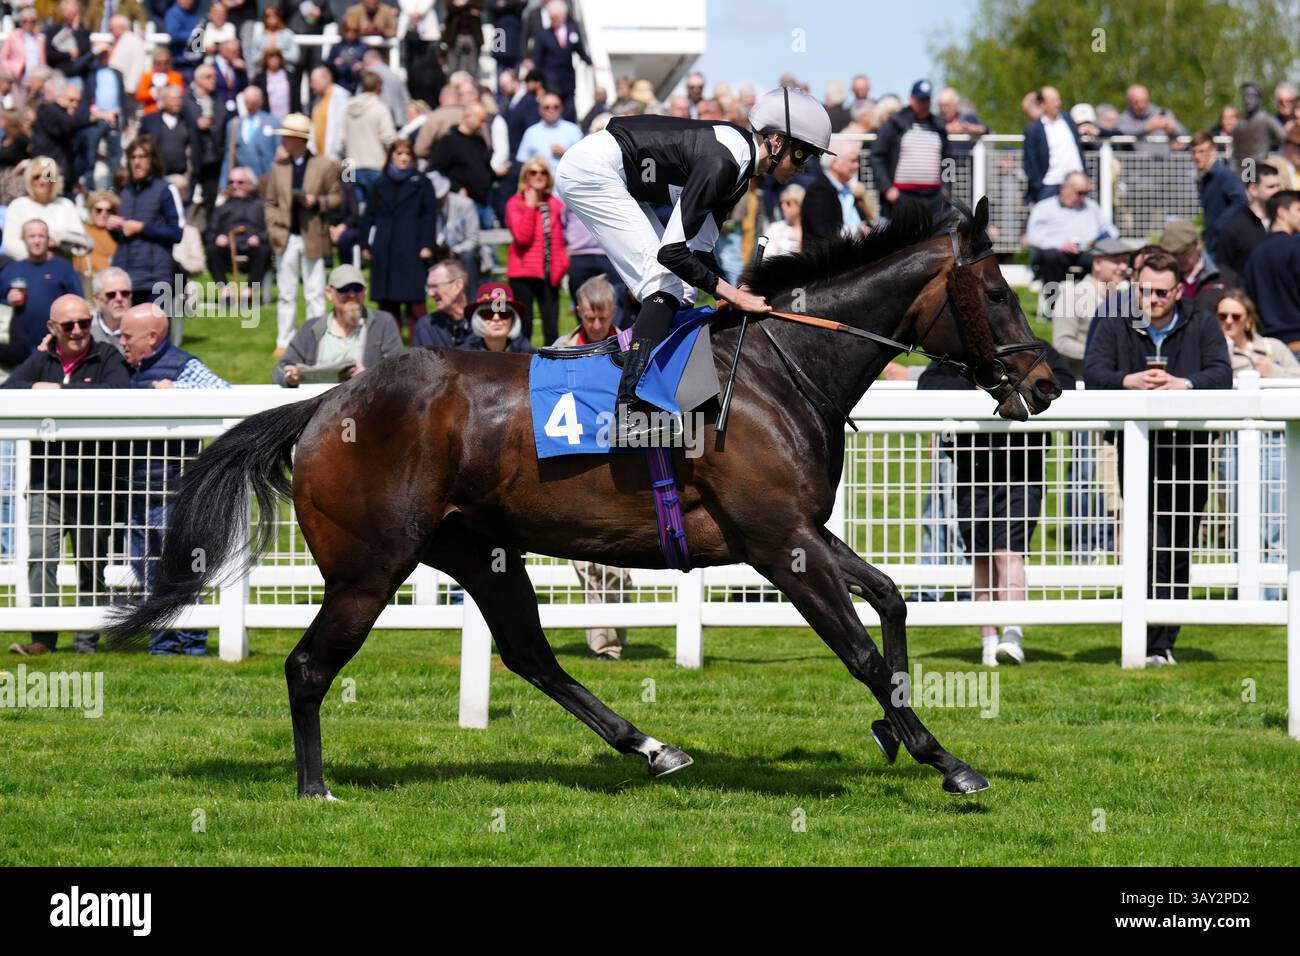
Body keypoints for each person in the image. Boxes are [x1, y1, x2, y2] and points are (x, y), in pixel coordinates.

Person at [554, 85, 833, 444]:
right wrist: (732, 295)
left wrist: (734, 288)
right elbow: (671, 252)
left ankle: (659, 389)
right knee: (662, 282)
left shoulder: (738, 173)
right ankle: (629, 411)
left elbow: (697, 251)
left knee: (681, 287)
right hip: (592, 170)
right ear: (777, 142)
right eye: (801, 153)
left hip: (616, 172)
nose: (803, 166)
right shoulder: (724, 163)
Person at [1084, 250, 1232, 665]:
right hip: (1134, 449)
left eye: (1161, 292)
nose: (1151, 299)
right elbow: (1093, 372)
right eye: (1144, 290)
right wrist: (1127, 380)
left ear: (1179, 290)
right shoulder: (1116, 320)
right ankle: (1148, 636)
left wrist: (1181, 384)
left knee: (1179, 542)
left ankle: (1164, 639)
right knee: (1147, 540)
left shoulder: (1201, 321)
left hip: (1188, 452)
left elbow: (1222, 373)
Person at [919, 342, 1075, 665]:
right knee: (980, 556)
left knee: (1009, 550)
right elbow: (929, 384)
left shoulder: (1036, 348)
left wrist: (1017, 383)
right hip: (971, 466)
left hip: (1023, 466)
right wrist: (982, 385)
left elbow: (1063, 383)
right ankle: (989, 639)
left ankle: (1012, 634)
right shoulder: (962, 351)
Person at [2, 293, 129, 657]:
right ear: (52, 328)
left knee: (91, 561)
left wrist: (58, 391)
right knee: (41, 555)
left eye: (85, 323)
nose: (78, 331)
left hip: (95, 481)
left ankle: (86, 641)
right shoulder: (41, 359)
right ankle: (43, 638)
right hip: (46, 481)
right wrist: (34, 388)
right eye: (69, 325)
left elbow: (120, 393)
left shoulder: (106, 356)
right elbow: (9, 391)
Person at [119, 302, 229, 655]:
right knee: (145, 566)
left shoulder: (184, 366)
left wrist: (179, 395)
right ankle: (163, 641)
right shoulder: (125, 367)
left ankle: (191, 640)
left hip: (171, 488)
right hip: (135, 486)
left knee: (177, 567)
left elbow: (227, 396)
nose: (122, 342)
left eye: (127, 336)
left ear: (152, 338)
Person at [263, 112, 342, 355]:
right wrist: (275, 226)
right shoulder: (279, 167)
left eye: (287, 137)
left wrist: (316, 201)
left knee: (315, 292)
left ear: (299, 140)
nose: (283, 141)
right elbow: (270, 202)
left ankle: (315, 339)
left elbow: (337, 197)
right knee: (286, 292)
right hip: (286, 237)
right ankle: (284, 340)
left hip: (312, 237)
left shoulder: (324, 165)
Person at [275, 264, 403, 386]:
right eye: (344, 289)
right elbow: (280, 369)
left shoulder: (383, 323)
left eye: (357, 288)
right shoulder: (311, 328)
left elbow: (399, 370)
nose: (352, 295)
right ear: (329, 293)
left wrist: (369, 376)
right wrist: (289, 374)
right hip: (317, 404)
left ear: (365, 291)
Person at [362, 139, 436, 332]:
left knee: (415, 303)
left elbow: (429, 216)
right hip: (385, 249)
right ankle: (390, 346)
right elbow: (368, 216)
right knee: (387, 305)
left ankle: (421, 346)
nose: (403, 158)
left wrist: (427, 244)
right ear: (391, 157)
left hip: (412, 248)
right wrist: (365, 245)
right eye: (399, 154)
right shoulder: (379, 184)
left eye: (407, 154)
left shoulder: (422, 183)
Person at [109, 136, 184, 317]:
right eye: (132, 158)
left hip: (155, 277)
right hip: (126, 277)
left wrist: (142, 228)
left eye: (142, 157)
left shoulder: (166, 190)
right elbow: (124, 237)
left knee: (156, 335)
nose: (136, 162)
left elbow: (177, 233)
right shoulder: (124, 192)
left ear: (153, 160)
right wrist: (113, 228)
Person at [1050, 237, 1136, 380]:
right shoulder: (1072, 296)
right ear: (1097, 263)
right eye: (1116, 261)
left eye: (1125, 261)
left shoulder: (1124, 299)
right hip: (1081, 382)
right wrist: (1102, 355)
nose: (1123, 267)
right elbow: (1061, 343)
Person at [506, 155, 568, 344]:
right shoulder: (515, 203)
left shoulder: (555, 204)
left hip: (550, 274)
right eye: (533, 172)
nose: (538, 176)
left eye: (543, 172)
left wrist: (562, 266)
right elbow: (522, 237)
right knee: (524, 328)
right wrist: (530, 207)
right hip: (523, 273)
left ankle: (550, 369)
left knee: (551, 329)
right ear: (526, 176)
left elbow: (560, 240)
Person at [870, 79, 950, 220]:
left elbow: (949, 159)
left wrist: (946, 188)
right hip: (902, 198)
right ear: (911, 98)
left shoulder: (938, 126)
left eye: (926, 100)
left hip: (933, 199)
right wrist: (887, 188)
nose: (924, 104)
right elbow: (877, 156)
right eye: (920, 100)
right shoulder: (895, 123)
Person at [1, 219, 85, 350]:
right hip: (19, 350)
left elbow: (79, 303)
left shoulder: (63, 268)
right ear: (23, 239)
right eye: (32, 236)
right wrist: (8, 300)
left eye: (41, 236)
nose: (37, 241)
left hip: (57, 345)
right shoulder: (11, 269)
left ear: (49, 239)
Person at [1025, 171, 1116, 285]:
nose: (1083, 196)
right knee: (1050, 257)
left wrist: (1099, 242)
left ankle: (1097, 297)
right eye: (1080, 192)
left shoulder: (1091, 206)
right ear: (1064, 188)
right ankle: (1054, 299)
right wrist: (1060, 244)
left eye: (1086, 192)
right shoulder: (1044, 207)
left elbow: (1111, 231)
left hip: (1087, 253)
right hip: (1057, 253)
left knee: (1101, 260)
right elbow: (1034, 236)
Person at [1, 156, 91, 262]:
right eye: (36, 177)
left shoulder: (66, 205)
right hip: (26, 266)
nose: (41, 181)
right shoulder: (18, 205)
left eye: (47, 176)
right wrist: (40, 255)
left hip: (60, 264)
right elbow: (10, 244)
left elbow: (81, 241)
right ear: (29, 179)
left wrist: (60, 241)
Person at [1242, 189, 1300, 350]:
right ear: (1281, 212)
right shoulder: (1296, 248)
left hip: (1268, 345)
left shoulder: (1255, 254)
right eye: (1298, 210)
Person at [205, 166, 269, 295]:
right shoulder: (223, 206)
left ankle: (250, 291)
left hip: (252, 247)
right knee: (212, 250)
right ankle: (225, 290)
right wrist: (219, 237)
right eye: (231, 182)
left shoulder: (261, 205)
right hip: (228, 247)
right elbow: (210, 233)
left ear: (251, 183)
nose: (235, 186)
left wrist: (259, 237)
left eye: (240, 182)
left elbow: (271, 230)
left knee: (264, 250)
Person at [1216, 161, 1281, 287]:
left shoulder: (1284, 221)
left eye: (1279, 186)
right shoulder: (1235, 227)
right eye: (1271, 187)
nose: (1277, 192)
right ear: (1253, 189)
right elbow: (1224, 267)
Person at [802, 137, 872, 244]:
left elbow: (863, 222)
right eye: (852, 161)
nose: (857, 166)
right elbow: (824, 235)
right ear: (835, 163)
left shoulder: (850, 190)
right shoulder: (818, 192)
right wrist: (855, 234)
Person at [1023, 85, 1084, 204]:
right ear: (1042, 104)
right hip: (1049, 186)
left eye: (1058, 99)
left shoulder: (1068, 120)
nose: (1058, 104)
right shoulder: (1033, 129)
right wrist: (1038, 186)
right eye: (1053, 101)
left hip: (1075, 184)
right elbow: (1030, 161)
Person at [343, 71, 397, 206]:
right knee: (378, 209)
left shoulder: (347, 108)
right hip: (375, 165)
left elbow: (342, 140)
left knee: (355, 210)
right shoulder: (381, 108)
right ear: (379, 87)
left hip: (349, 166)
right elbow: (388, 138)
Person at [1191, 131, 1248, 258]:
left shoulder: (1224, 174)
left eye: (1201, 151)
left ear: (1213, 151)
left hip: (1224, 246)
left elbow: (1241, 201)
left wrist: (1219, 225)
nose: (1196, 156)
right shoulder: (1206, 178)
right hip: (1214, 243)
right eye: (1194, 152)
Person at [532, 1, 590, 122]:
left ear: (563, 16)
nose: (553, 20)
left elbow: (580, 51)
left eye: (555, 17)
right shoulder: (543, 35)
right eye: (551, 17)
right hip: (551, 82)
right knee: (553, 114)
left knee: (570, 114)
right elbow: (538, 61)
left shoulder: (573, 29)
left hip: (568, 82)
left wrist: (591, 63)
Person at [1158, 218, 1224, 319]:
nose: (1180, 258)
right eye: (1174, 254)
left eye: (1184, 252)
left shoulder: (1223, 277)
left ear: (1198, 245)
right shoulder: (1159, 279)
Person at [430, 170, 482, 294]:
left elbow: (473, 239)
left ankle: (471, 300)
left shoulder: (465, 204)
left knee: (468, 257)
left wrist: (454, 251)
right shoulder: (428, 208)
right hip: (437, 252)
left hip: (460, 251)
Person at [31, 79, 91, 187]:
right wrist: (92, 118)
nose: (75, 105)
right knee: (47, 195)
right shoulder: (50, 110)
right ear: (60, 97)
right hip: (46, 169)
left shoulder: (69, 118)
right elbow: (67, 125)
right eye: (71, 100)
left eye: (78, 101)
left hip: (61, 173)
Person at [219, 86, 278, 189]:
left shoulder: (273, 122)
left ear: (260, 101)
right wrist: (223, 184)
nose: (250, 103)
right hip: (242, 182)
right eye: (248, 99)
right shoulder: (234, 124)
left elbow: (278, 153)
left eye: (254, 99)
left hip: (266, 180)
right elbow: (228, 155)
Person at [140, 85, 197, 181]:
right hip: (155, 176)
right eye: (174, 99)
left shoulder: (187, 121)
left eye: (179, 98)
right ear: (163, 101)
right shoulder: (149, 121)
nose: (178, 102)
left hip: (181, 176)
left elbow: (193, 149)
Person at [461, 280, 536, 353]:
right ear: (477, 319)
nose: (496, 318)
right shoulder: (464, 356)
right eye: (488, 313)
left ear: (513, 319)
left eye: (504, 313)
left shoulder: (528, 355)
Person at [412, 259, 472, 348]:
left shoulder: (487, 321)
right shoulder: (426, 328)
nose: (430, 293)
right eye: (428, 287)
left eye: (435, 286)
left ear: (458, 285)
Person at [1115, 84, 1187, 156]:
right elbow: (1121, 134)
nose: (1141, 106)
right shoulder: (1123, 119)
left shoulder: (1163, 113)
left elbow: (1184, 133)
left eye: (1143, 101)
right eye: (1136, 102)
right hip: (1136, 165)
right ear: (1129, 102)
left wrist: (1173, 130)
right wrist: (1147, 128)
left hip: (1165, 164)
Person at [1230, 83, 1285, 175]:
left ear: (1258, 99)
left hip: (1261, 168)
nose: (1247, 100)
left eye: (1251, 97)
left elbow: (1284, 138)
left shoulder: (1266, 119)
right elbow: (1235, 153)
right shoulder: (1239, 125)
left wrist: (1271, 143)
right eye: (1245, 97)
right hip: (1242, 170)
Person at [516, 91, 582, 165]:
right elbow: (523, 162)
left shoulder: (574, 130)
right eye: (546, 107)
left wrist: (565, 154)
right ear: (540, 110)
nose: (551, 110)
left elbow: (584, 160)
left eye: (556, 107)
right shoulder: (531, 132)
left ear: (562, 108)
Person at [308, 65, 350, 160]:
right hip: (319, 157)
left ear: (325, 79)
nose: (311, 85)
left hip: (335, 158)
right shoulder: (318, 100)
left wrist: (337, 152)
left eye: (313, 81)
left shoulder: (340, 96)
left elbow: (342, 127)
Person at [362, 47, 409, 129]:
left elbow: (362, 97)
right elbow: (407, 100)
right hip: (399, 120)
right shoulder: (395, 76)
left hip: (378, 121)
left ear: (368, 61)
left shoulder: (369, 75)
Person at [89, 265, 132, 352]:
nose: (119, 299)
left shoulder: (142, 328)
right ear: (96, 299)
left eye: (125, 293)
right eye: (111, 295)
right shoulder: (85, 329)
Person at [255, 46, 300, 125]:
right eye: (271, 58)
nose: (274, 61)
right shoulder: (260, 78)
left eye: (276, 57)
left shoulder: (290, 76)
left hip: (287, 117)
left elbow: (296, 96)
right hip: (267, 118)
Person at [135, 48, 183, 116]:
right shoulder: (147, 76)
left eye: (165, 63)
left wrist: (165, 90)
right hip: (151, 111)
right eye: (159, 63)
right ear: (154, 63)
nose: (162, 66)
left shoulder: (175, 76)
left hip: (170, 113)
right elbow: (140, 95)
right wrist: (153, 92)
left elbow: (179, 93)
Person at [82, 191, 120, 276]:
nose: (103, 214)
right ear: (91, 211)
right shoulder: (82, 233)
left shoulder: (119, 235)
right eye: (98, 210)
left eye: (108, 210)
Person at [764, 182, 805, 257]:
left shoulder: (810, 230)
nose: (783, 206)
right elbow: (767, 258)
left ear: (800, 205)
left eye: (788, 203)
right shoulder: (775, 228)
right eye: (781, 203)